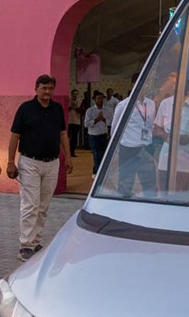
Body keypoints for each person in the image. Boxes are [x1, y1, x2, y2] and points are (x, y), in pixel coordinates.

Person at [7, 74, 72, 261]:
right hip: (30, 162)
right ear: (36, 88)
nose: (47, 92)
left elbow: (62, 134)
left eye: (50, 88)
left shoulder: (57, 109)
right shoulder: (25, 109)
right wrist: (10, 162)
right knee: (30, 204)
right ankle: (25, 245)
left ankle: (35, 241)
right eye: (44, 88)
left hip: (52, 162)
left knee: (43, 206)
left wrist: (67, 156)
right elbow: (14, 136)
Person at [113, 75, 156, 197]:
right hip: (128, 149)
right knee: (125, 186)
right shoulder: (123, 105)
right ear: (133, 84)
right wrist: (117, 149)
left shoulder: (151, 104)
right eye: (141, 83)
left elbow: (150, 125)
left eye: (147, 83)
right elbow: (115, 129)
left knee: (150, 185)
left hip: (146, 148)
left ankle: (150, 211)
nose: (145, 86)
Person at [83, 92, 111, 175]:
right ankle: (99, 174)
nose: (101, 100)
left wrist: (104, 119)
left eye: (102, 98)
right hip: (94, 136)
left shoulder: (107, 110)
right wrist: (96, 120)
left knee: (103, 156)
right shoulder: (90, 111)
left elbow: (111, 122)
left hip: (104, 135)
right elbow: (86, 124)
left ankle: (95, 172)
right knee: (96, 155)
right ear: (94, 99)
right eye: (98, 98)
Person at [66, 88, 83, 158]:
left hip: (76, 121)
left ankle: (72, 151)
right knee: (67, 137)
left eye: (76, 94)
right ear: (71, 94)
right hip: (69, 121)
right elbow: (65, 109)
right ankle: (67, 152)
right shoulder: (68, 100)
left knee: (74, 138)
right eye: (73, 94)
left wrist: (76, 108)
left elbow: (82, 111)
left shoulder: (80, 101)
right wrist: (70, 107)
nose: (75, 95)